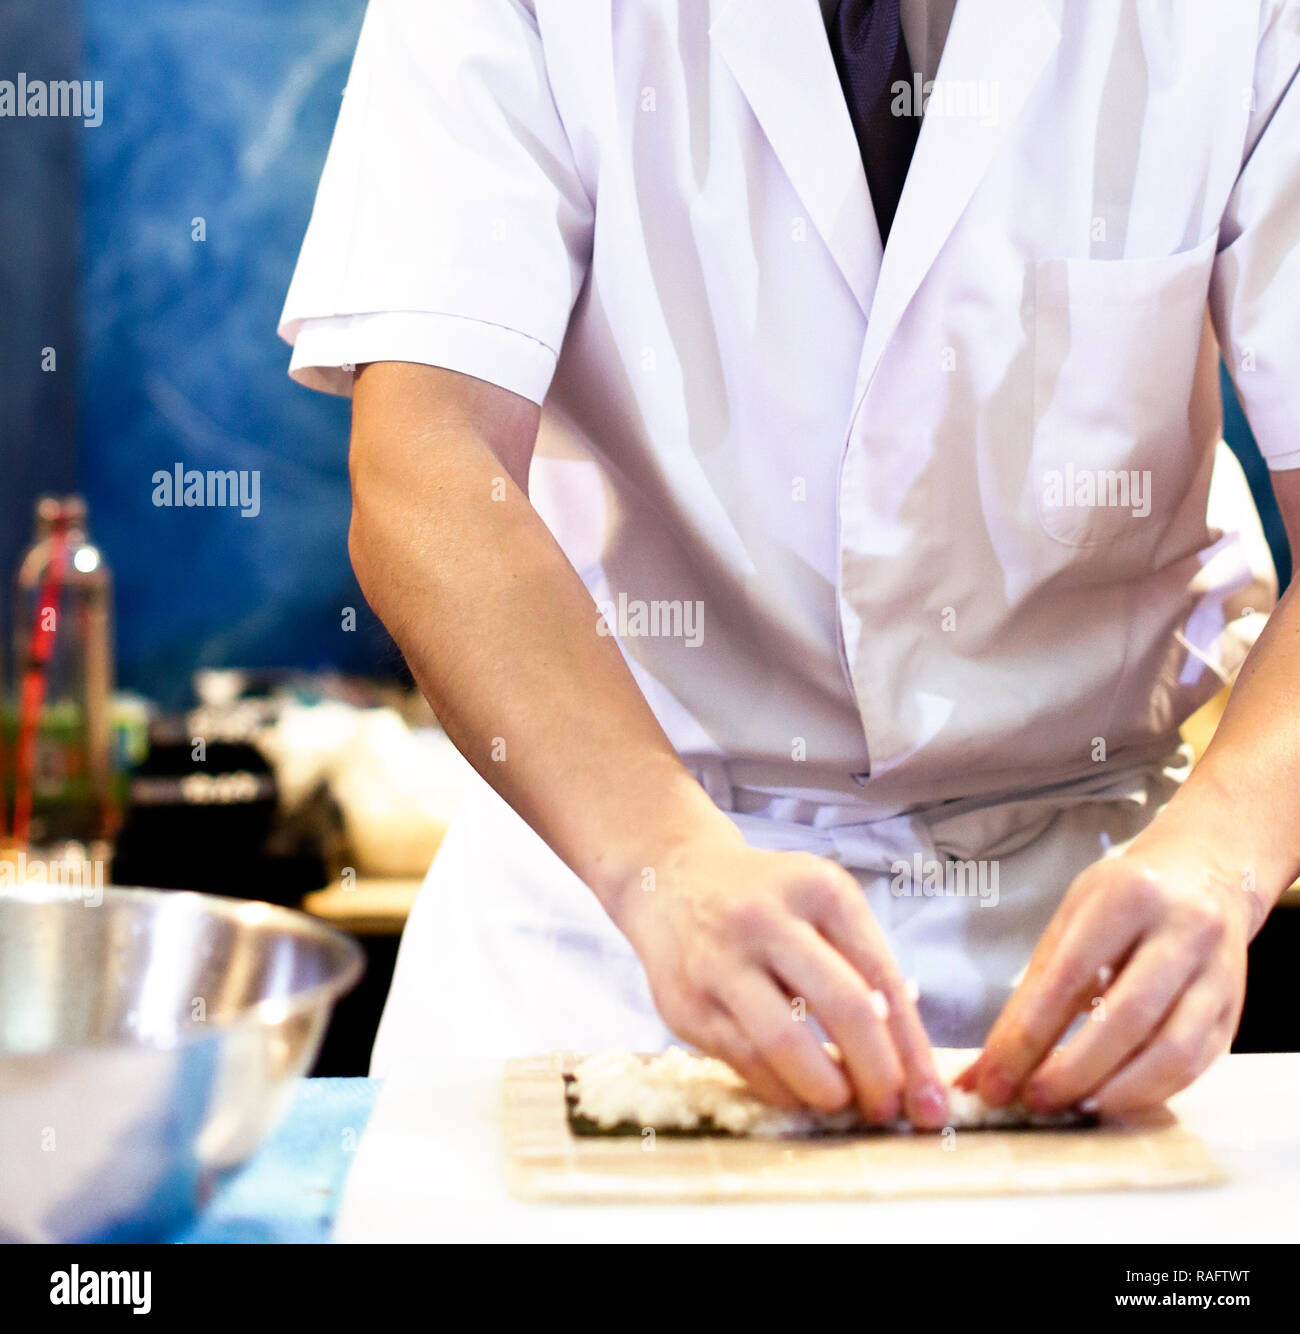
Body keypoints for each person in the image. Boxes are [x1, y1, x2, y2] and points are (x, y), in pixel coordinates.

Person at [280, 0, 1300, 1126]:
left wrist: (1222, 854)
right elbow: (429, 467)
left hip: (1080, 940)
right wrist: (659, 857)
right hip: (606, 916)